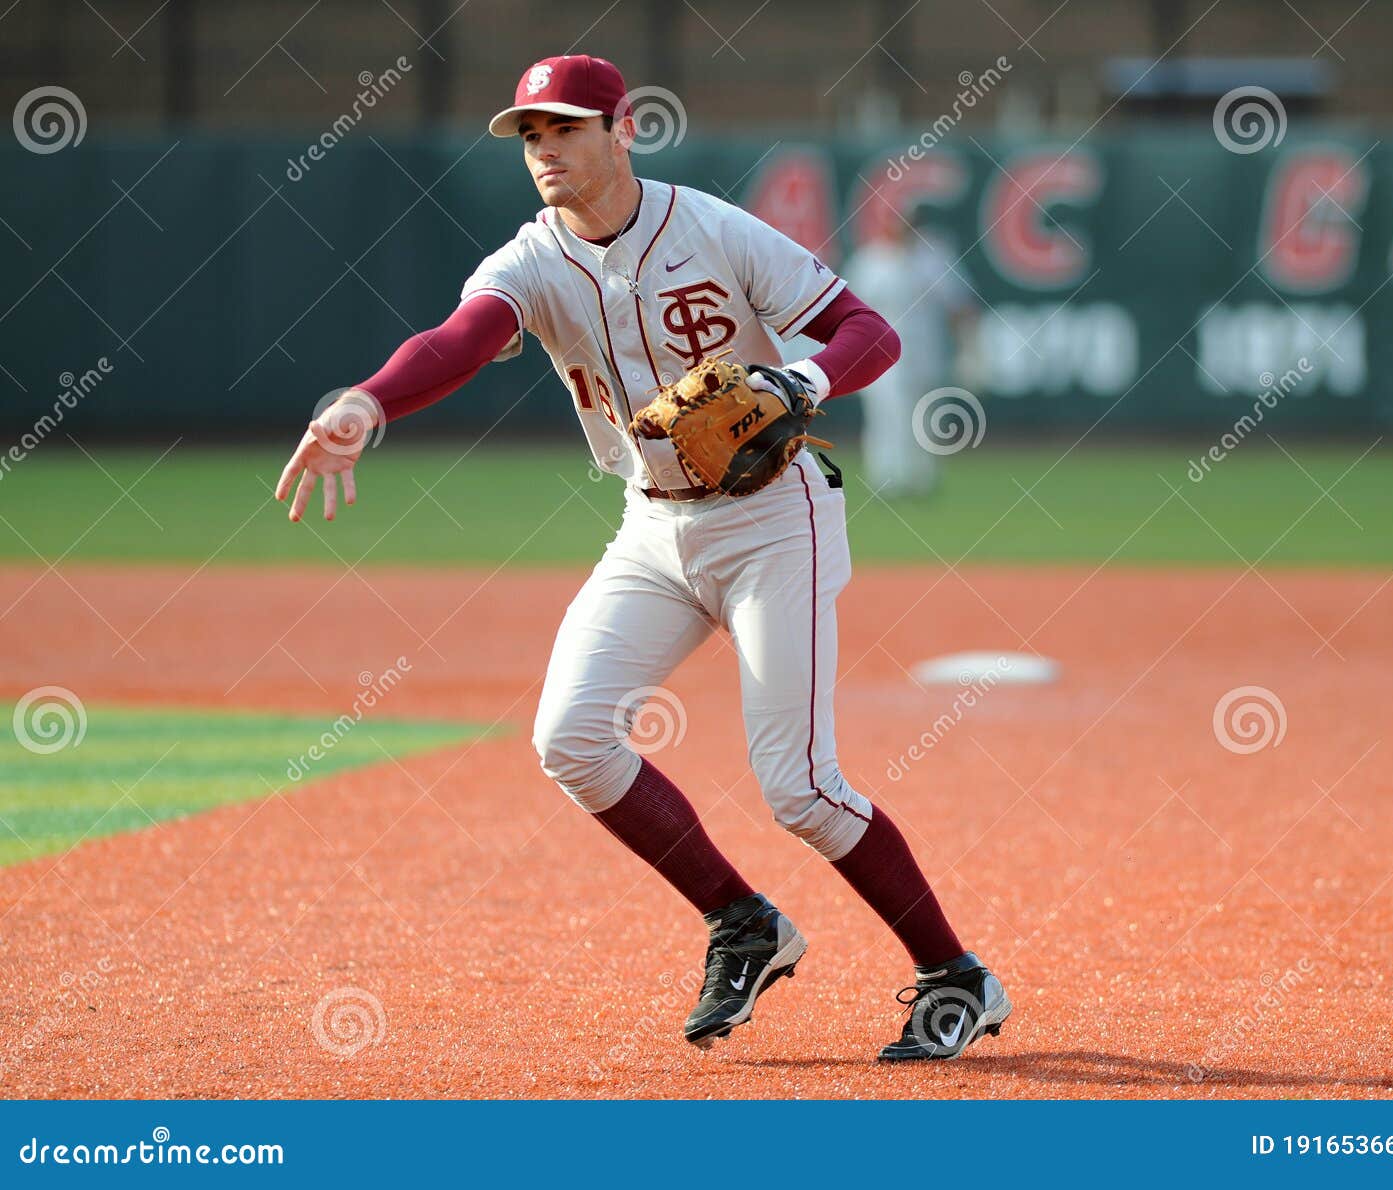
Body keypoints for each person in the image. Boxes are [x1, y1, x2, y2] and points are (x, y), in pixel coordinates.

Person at [274, 54, 1010, 1061]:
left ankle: (953, 972)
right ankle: (742, 919)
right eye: (531, 135)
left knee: (795, 785)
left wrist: (801, 379)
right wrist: (365, 401)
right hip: (653, 523)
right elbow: (455, 339)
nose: (546, 151)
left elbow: (866, 331)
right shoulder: (528, 262)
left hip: (772, 518)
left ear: (623, 129)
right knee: (571, 737)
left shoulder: (708, 227)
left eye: (566, 129)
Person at [845, 209, 975, 498]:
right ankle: (886, 479)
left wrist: (968, 350)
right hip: (878, 354)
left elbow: (959, 305)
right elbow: (849, 312)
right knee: (886, 414)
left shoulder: (933, 257)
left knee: (925, 415)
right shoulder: (871, 260)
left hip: (924, 352)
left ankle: (921, 479)